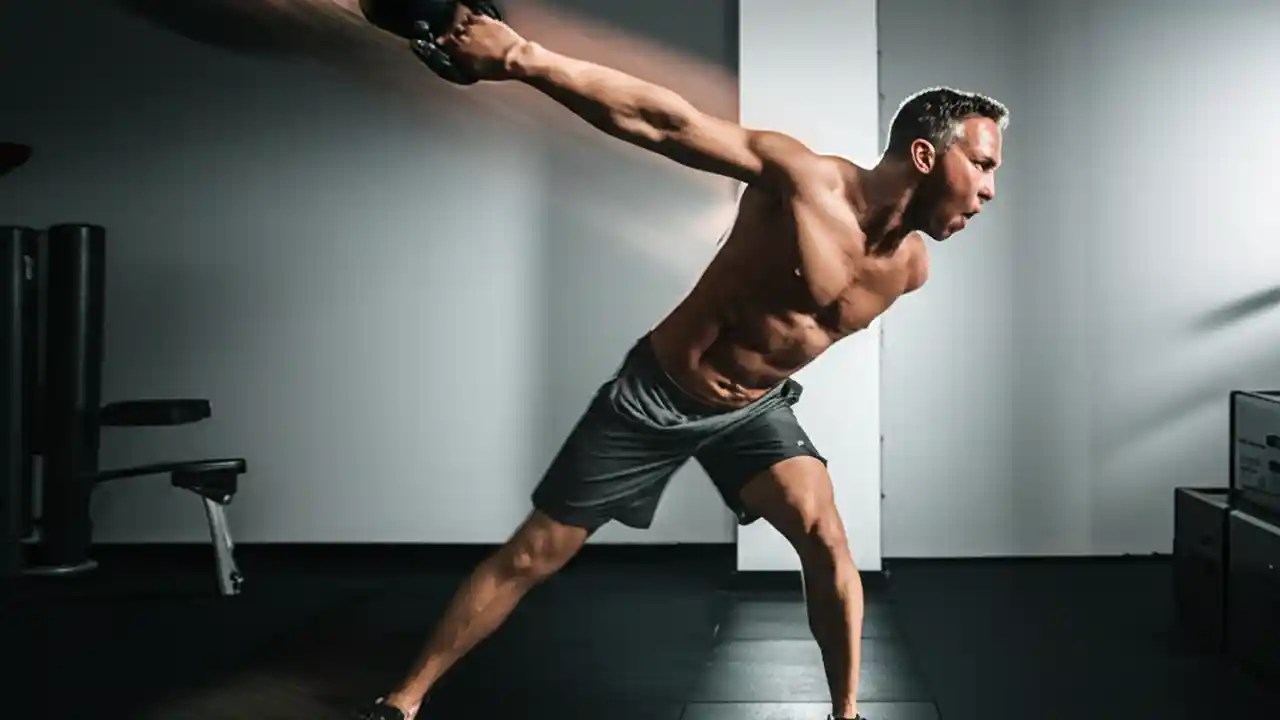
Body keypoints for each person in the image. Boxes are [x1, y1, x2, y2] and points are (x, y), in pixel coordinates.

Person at [355, 7, 1006, 720]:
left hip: (752, 408)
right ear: (924, 155)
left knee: (825, 538)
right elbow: (664, 123)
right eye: (980, 164)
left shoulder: (910, 269)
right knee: (534, 553)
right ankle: (402, 699)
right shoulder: (803, 182)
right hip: (659, 392)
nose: (988, 190)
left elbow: (788, 335)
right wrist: (521, 58)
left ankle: (846, 713)